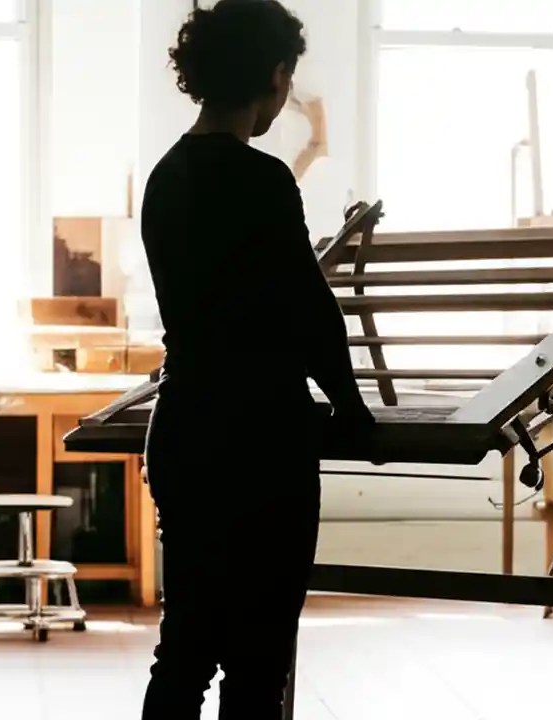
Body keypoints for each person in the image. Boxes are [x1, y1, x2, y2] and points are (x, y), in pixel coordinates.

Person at [137, 1, 374, 717]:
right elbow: (307, 313)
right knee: (256, 661)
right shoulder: (263, 180)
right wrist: (355, 410)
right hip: (260, 441)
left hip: (185, 429)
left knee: (184, 653)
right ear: (274, 75)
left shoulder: (165, 176)